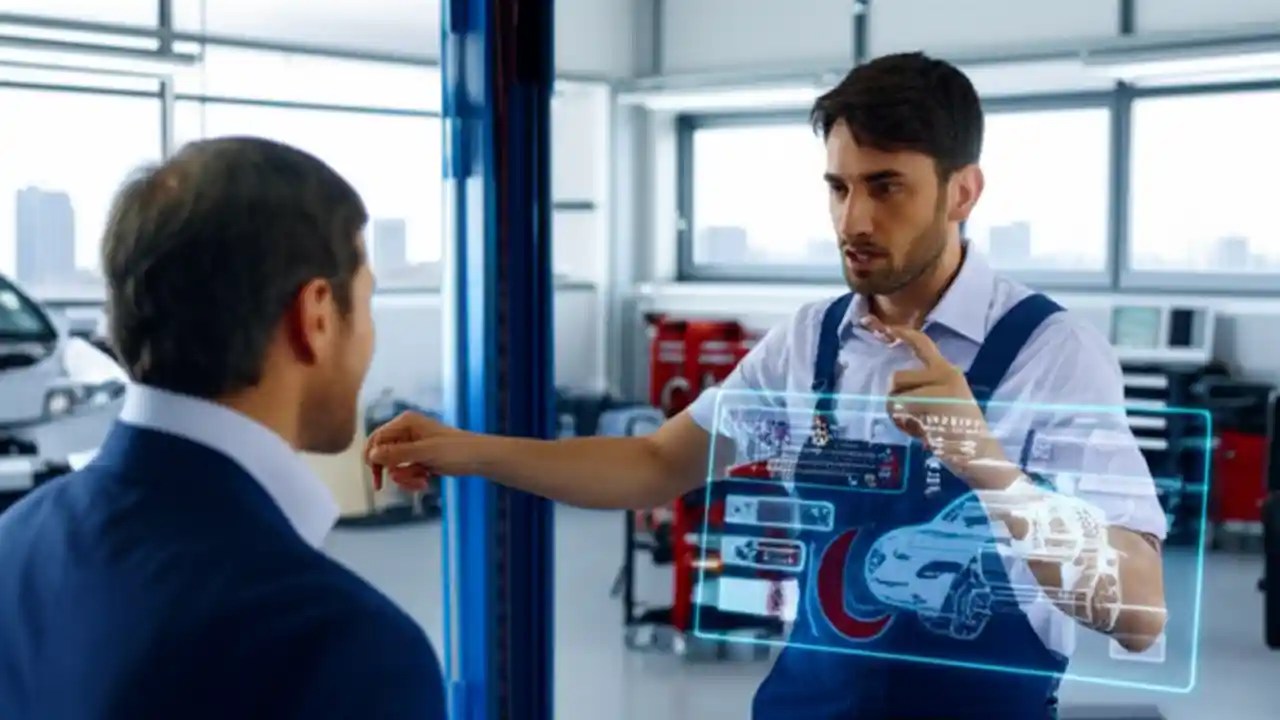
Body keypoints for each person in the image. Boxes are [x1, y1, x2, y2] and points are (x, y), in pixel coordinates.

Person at [367, 52, 1169, 719]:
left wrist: (987, 465)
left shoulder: (1054, 354)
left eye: (886, 186)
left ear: (963, 192)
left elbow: (1136, 612)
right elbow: (654, 464)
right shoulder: (808, 342)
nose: (854, 219)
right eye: (838, 186)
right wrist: (471, 451)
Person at [0, 137, 445, 719]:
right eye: (365, 304)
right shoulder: (346, 650)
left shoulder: (15, 542)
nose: (369, 337)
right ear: (314, 317)